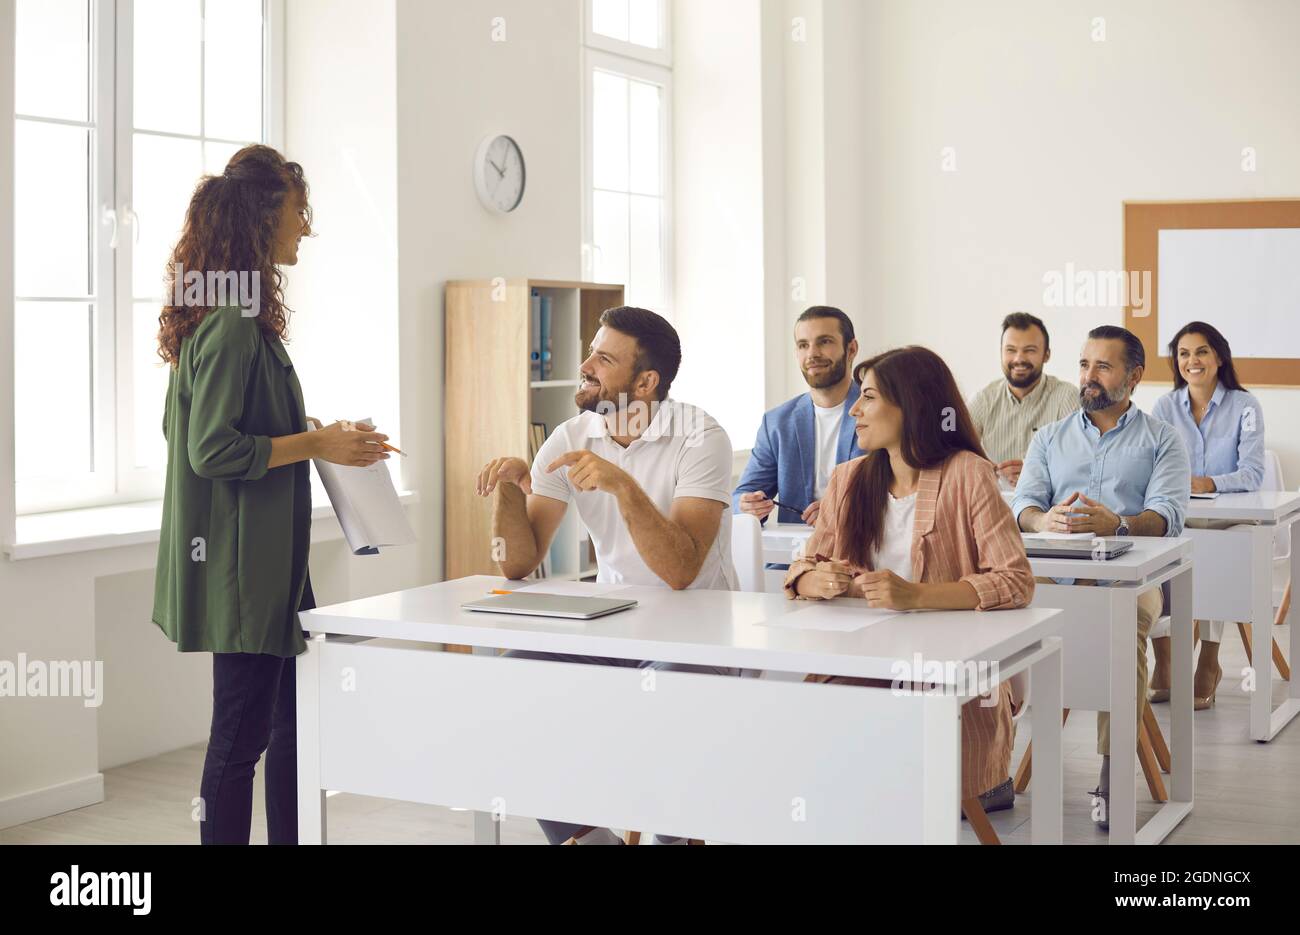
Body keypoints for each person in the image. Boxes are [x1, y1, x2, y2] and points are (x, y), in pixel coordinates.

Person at [152, 145, 392, 845]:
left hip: (271, 564)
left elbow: (208, 426)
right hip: (245, 569)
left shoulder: (230, 319)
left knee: (292, 722)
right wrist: (313, 445)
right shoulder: (229, 326)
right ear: (264, 217)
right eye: (298, 211)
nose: (306, 228)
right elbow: (208, 447)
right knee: (241, 735)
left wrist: (314, 432)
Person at [476, 305, 738, 844]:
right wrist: (507, 487)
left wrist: (623, 486)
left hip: (701, 635)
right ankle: (590, 838)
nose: (586, 365)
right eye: (591, 351)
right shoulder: (572, 434)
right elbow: (518, 562)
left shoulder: (701, 436)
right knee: (513, 678)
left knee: (661, 694)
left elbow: (681, 570)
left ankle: (673, 834)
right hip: (611, 626)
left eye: (604, 357)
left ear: (646, 382)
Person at [783, 346, 1035, 817]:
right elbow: (804, 565)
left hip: (947, 678)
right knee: (802, 731)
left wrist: (915, 595)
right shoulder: (848, 478)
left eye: (870, 397)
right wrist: (814, 579)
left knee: (877, 773)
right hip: (865, 664)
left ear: (912, 405)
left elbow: (1016, 581)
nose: (854, 409)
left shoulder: (969, 475)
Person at [1012, 325, 1189, 832]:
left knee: (1121, 626)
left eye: (1103, 367)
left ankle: (1112, 778)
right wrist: (1043, 520)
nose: (1088, 377)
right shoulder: (1048, 436)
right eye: (1085, 365)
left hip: (1131, 582)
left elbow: (1169, 514)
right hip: (1056, 582)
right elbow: (1024, 504)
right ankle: (989, 769)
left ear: (1133, 376)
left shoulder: (1162, 440)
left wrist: (1121, 524)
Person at [1149, 321, 1265, 710]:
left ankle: (1209, 659)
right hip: (1179, 514)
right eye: (1183, 353)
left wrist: (1207, 483)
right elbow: (1153, 465)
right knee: (1151, 542)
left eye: (1200, 352)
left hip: (1225, 518)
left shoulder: (1245, 406)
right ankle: (1164, 659)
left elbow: (1252, 474)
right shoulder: (1165, 407)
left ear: (1218, 357)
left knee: (1210, 546)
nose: (1191, 360)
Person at [734, 306, 864, 528]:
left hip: (861, 555)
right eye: (803, 345)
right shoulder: (776, 422)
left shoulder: (880, 412)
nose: (812, 354)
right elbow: (741, 496)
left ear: (851, 349)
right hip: (792, 557)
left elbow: (901, 494)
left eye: (824, 341)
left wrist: (842, 508)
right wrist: (747, 506)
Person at [968, 312, 1078, 488]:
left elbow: (1082, 460)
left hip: (1049, 506)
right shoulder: (983, 400)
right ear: (1001, 353)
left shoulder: (1067, 397)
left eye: (1029, 350)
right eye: (1011, 350)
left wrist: (1037, 472)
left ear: (1046, 355)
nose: (1019, 359)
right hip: (995, 504)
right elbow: (958, 455)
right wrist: (992, 472)